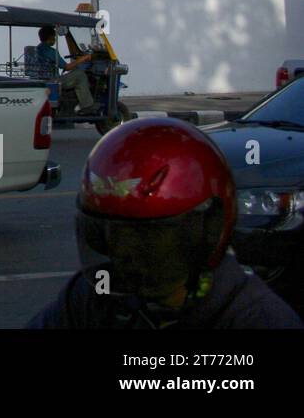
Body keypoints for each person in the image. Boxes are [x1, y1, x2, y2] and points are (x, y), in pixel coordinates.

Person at [28, 118, 302, 329]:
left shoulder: (256, 320)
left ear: (204, 230)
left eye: (148, 236)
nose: (125, 252)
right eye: (113, 235)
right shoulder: (96, 300)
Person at [34, 24, 96, 115]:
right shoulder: (50, 51)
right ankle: (87, 106)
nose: (55, 39)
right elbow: (67, 67)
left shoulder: (38, 48)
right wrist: (84, 58)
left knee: (75, 73)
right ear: (50, 37)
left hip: (42, 77)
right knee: (80, 75)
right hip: (52, 80)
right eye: (54, 37)